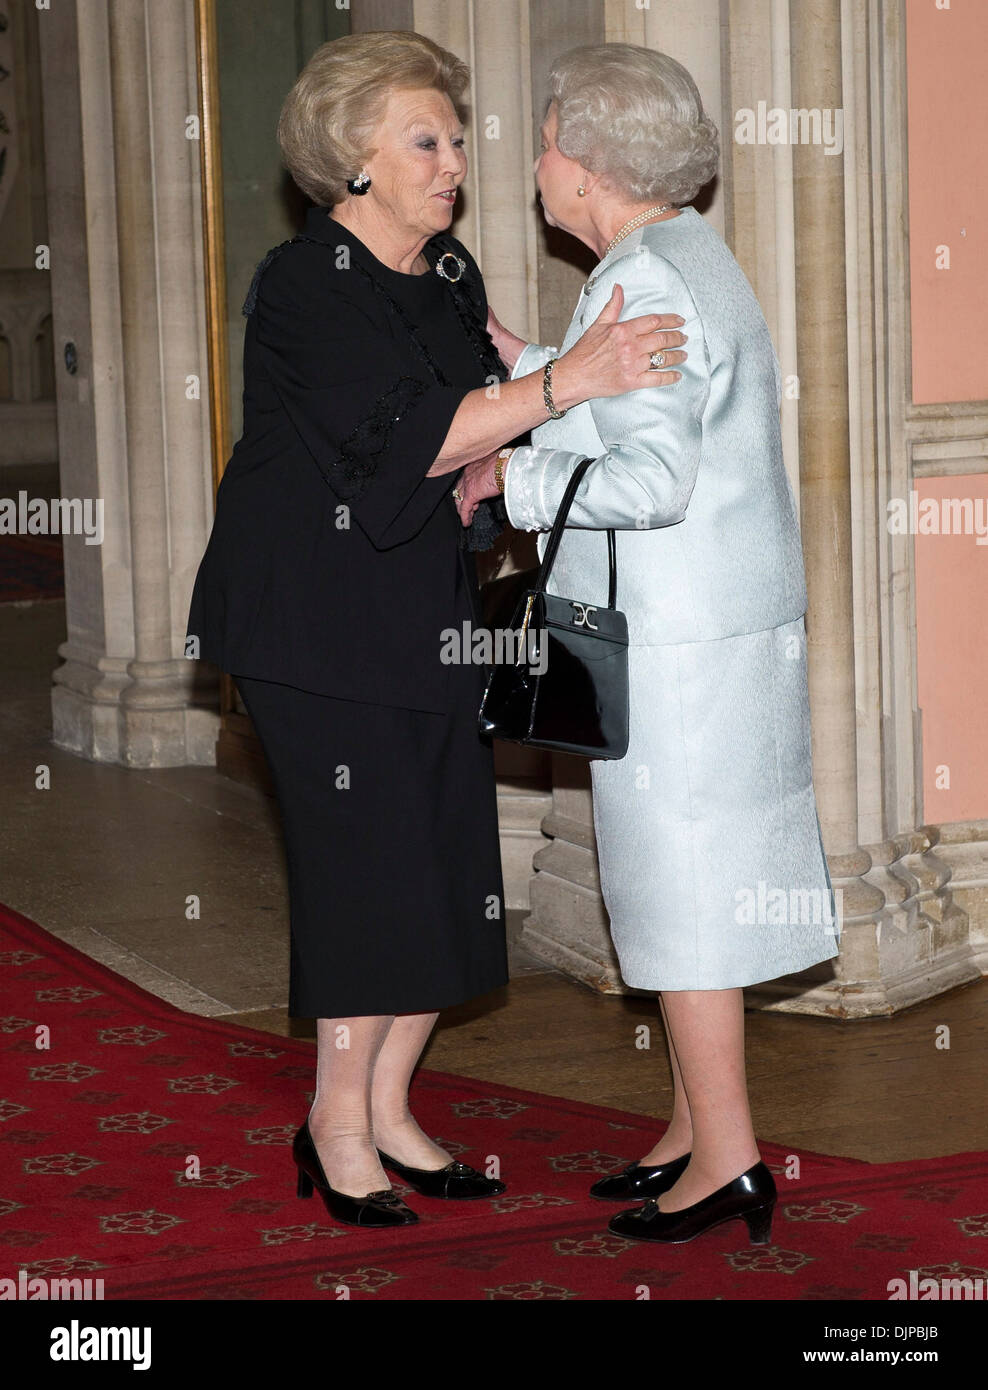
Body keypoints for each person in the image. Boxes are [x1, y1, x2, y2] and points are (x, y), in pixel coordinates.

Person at [186, 30, 689, 1230]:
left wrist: (550, 404)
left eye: (457, 139)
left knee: (443, 866)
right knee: (372, 876)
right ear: (353, 160)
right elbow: (414, 434)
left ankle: (394, 1106)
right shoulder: (306, 285)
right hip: (311, 622)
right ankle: (335, 1123)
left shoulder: (449, 271)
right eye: (426, 140)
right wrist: (573, 385)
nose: (454, 161)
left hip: (422, 610)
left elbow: (487, 413)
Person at [457, 42, 839, 1247]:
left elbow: (656, 476)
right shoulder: (677, 254)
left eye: (547, 137)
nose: (532, 164)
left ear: (588, 159)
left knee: (682, 899)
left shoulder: (648, 280)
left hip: (679, 646)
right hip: (715, 629)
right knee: (688, 891)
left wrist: (509, 475)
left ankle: (728, 1159)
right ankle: (688, 1126)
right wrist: (532, 363)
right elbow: (646, 412)